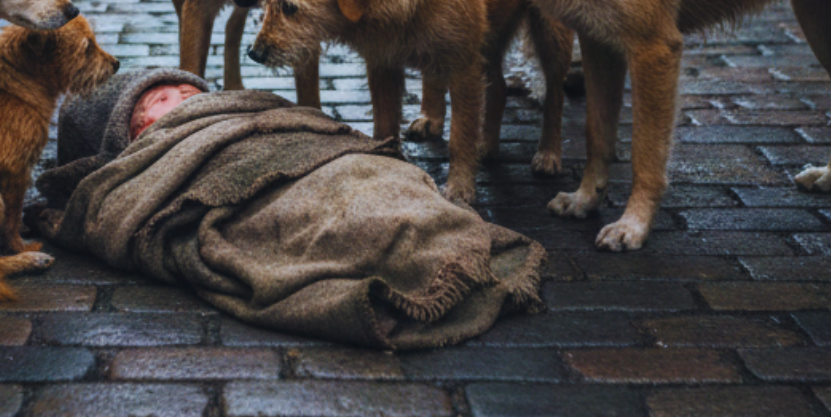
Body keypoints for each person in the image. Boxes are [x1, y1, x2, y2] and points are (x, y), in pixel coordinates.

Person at [32, 68, 545, 349]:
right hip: (244, 184)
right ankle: (407, 249)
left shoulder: (241, 106)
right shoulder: (151, 158)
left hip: (309, 153)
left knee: (366, 180)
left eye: (189, 88)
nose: (187, 95)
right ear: (135, 131)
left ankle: (434, 231)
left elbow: (299, 122)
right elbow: (118, 206)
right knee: (308, 221)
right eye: (164, 97)